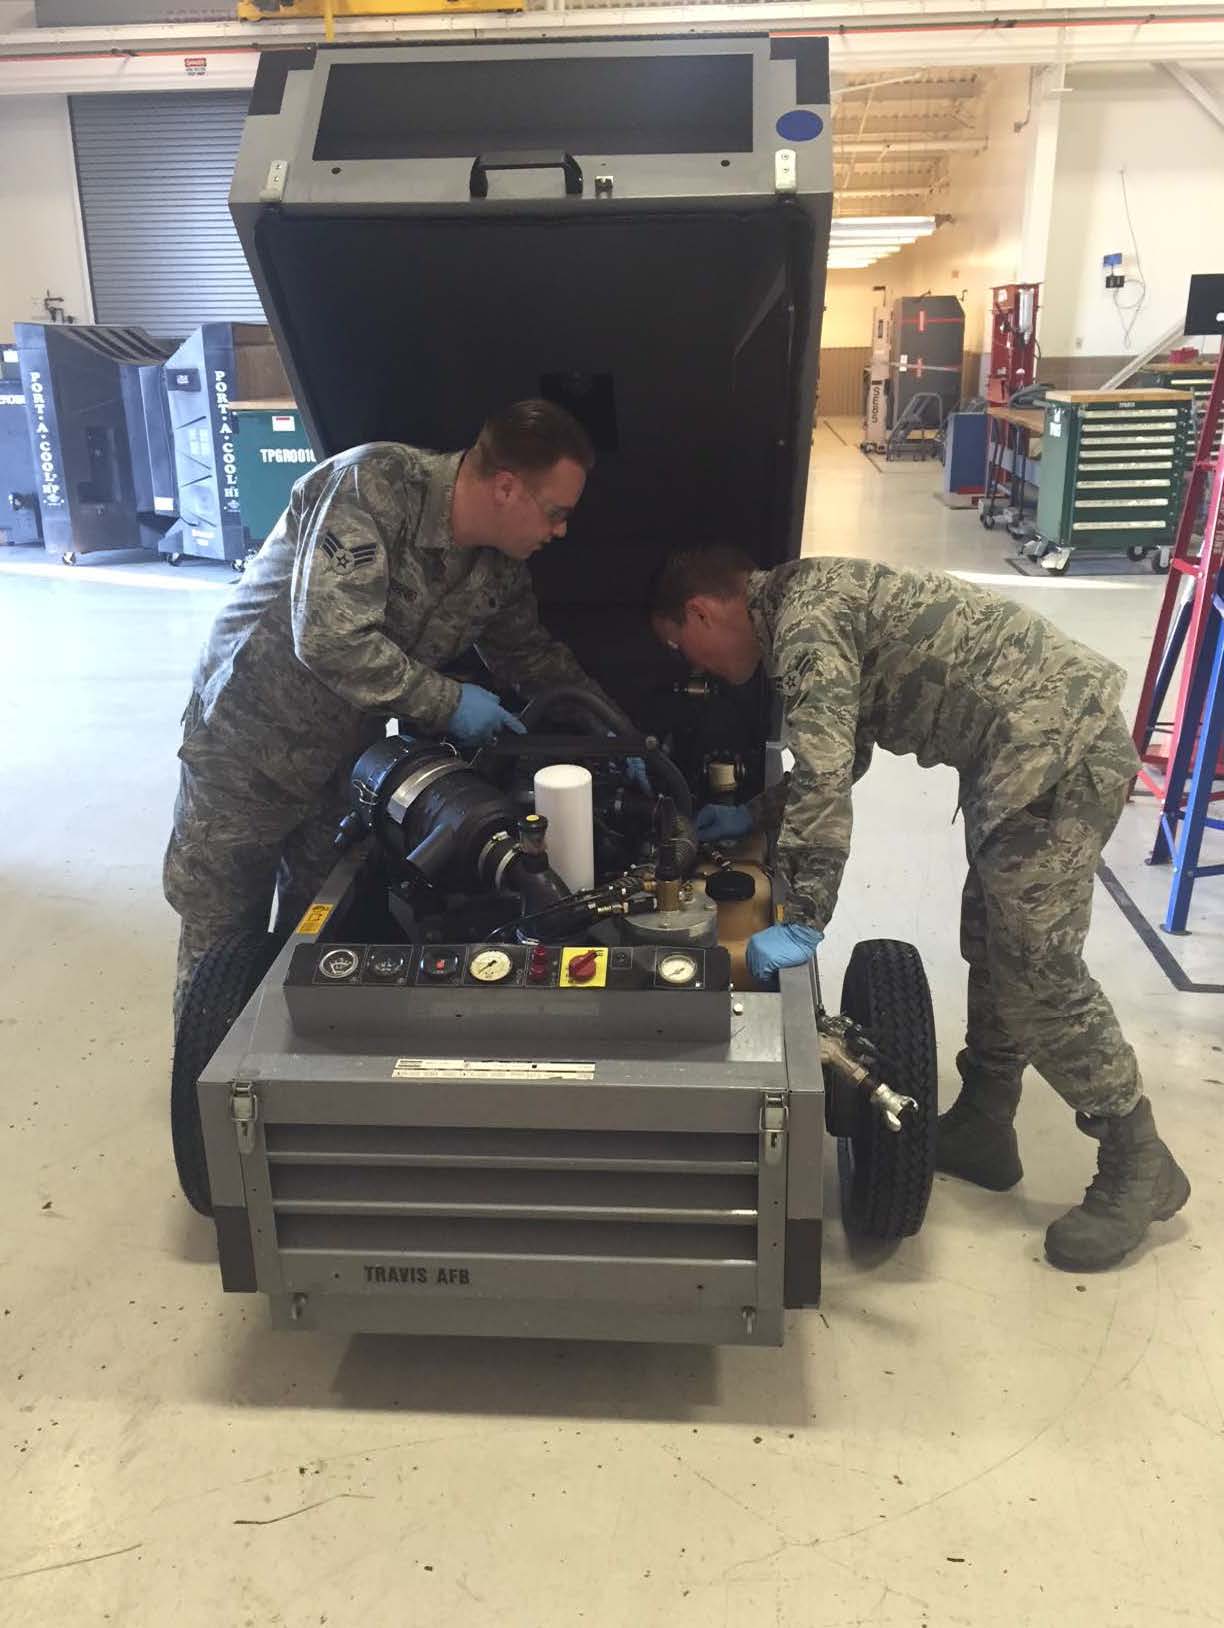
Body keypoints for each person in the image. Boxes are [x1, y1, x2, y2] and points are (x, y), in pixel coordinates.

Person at [650, 546, 1190, 1273]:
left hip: (1057, 748)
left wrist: (805, 915)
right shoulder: (808, 603)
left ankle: (1138, 1158)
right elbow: (848, 747)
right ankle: (986, 1119)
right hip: (1027, 746)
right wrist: (752, 811)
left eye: (690, 649)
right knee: (989, 941)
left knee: (1037, 970)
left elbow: (826, 775)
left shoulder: (805, 621)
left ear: (702, 612)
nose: (700, 670)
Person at [165, 399, 616, 1017]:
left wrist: (611, 732)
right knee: (222, 934)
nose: (561, 530)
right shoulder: (372, 486)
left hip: (343, 770)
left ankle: (279, 1088)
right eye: (556, 512)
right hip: (249, 747)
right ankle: (205, 1096)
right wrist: (450, 702)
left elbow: (531, 657)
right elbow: (328, 637)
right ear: (507, 488)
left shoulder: (500, 570)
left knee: (314, 934)